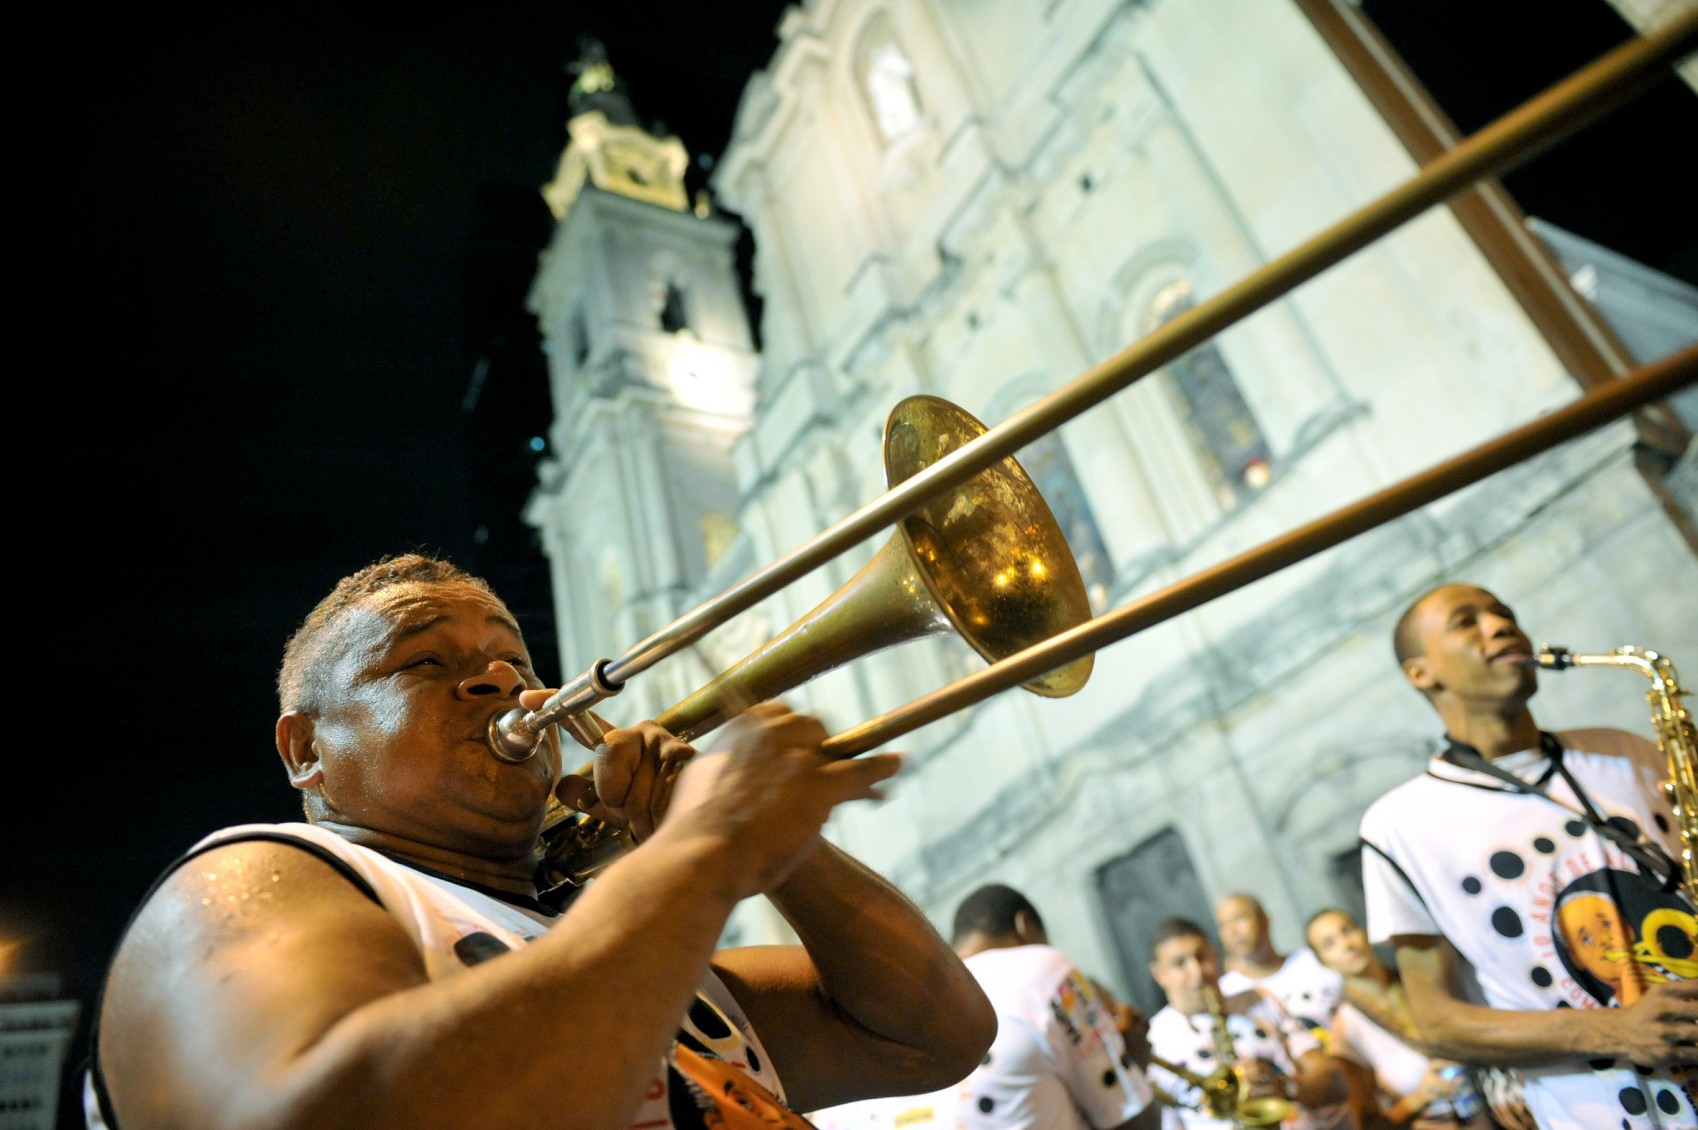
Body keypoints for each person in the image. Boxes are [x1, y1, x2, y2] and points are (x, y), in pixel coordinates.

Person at [84, 552, 997, 1130]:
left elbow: (935, 1036)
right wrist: (707, 852)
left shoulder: (622, 947)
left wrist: (779, 850)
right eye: (424, 663)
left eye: (515, 662)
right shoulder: (254, 874)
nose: (502, 687)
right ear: (307, 750)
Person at [1357, 581, 1698, 1129]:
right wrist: (1616, 1032)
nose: (1500, 626)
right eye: (1467, 622)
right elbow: (1436, 1020)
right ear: (1421, 673)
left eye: (1505, 614)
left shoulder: (1625, 749)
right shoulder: (1400, 826)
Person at [1144, 917, 1350, 1130]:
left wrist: (1283, 1086)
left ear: (1214, 954)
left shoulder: (1260, 1000)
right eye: (1180, 964)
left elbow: (1335, 1082)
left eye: (1201, 956)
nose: (1197, 973)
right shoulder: (1154, 1042)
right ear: (1159, 974)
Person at [1305, 907, 1491, 1130]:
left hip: (1497, 1109)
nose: (1347, 944)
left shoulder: (1421, 982)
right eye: (1330, 944)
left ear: (1365, 932)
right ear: (1324, 962)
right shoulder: (1346, 1030)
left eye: (1348, 930)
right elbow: (1368, 1123)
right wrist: (1419, 1097)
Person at [1215, 893, 1344, 1034]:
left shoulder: (1313, 962)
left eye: (1239, 918)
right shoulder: (1225, 992)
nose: (1232, 931)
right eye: (1223, 925)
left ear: (1265, 919)